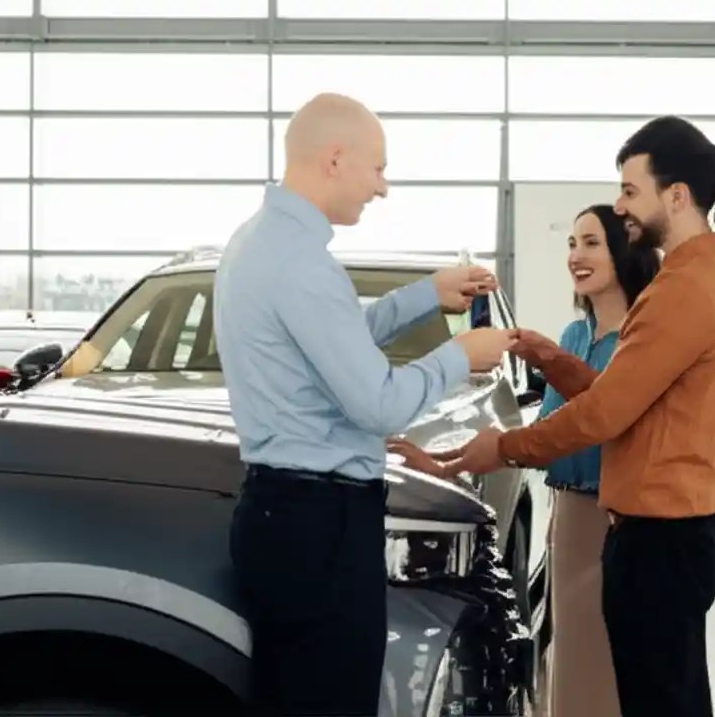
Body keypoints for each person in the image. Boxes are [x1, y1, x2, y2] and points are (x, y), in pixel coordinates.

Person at [444, 115, 715, 717]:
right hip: (673, 535)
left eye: (630, 191)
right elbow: (624, 396)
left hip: (661, 542)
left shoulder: (682, 291)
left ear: (676, 196)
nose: (621, 207)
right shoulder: (693, 281)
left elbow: (607, 412)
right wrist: (548, 356)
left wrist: (508, 447)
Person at [214, 92, 518, 716]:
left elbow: (337, 337)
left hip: (285, 518)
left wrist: (426, 295)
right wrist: (462, 355)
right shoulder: (301, 264)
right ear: (334, 160)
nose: (381, 188)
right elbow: (378, 403)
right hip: (320, 527)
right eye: (377, 168)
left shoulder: (259, 242)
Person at [513, 204, 659, 717]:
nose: (576, 255)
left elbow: (612, 427)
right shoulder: (573, 337)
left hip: (616, 516)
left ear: (624, 252)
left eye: (591, 242)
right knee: (568, 651)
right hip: (566, 515)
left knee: (603, 656)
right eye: (572, 244)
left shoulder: (643, 343)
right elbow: (554, 430)